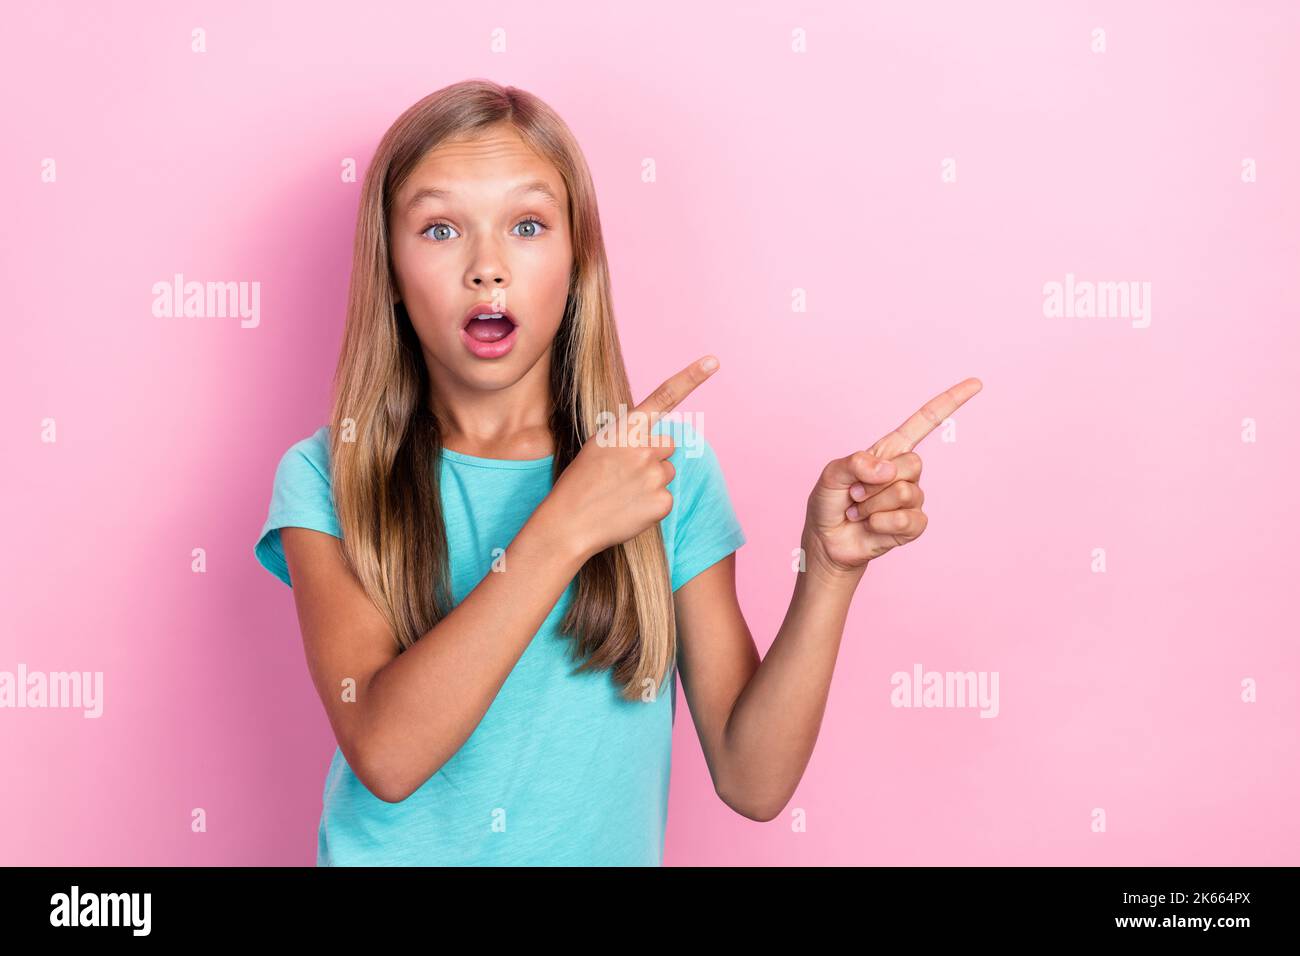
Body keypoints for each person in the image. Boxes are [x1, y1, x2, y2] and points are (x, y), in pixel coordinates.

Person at [253, 78, 981, 865]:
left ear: (578, 261)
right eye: (439, 230)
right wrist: (567, 526)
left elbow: (753, 778)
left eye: (527, 225)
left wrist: (830, 575)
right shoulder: (330, 477)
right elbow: (388, 755)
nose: (487, 267)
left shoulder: (667, 473)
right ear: (389, 271)